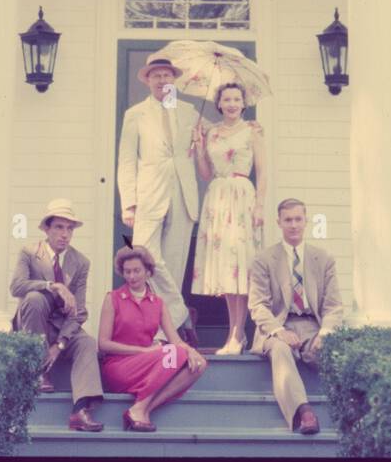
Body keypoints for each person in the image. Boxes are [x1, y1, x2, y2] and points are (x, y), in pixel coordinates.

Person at [116, 57, 201, 345]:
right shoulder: (135, 114)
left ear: (174, 79)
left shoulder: (190, 112)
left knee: (174, 263)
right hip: (148, 194)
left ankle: (165, 331)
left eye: (167, 75)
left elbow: (217, 135)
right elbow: (127, 159)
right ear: (147, 80)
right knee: (145, 254)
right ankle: (181, 313)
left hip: (183, 192)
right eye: (157, 76)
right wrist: (128, 202)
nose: (163, 80)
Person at [248, 198, 344, 435]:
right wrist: (280, 332)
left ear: (306, 221)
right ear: (279, 222)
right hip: (278, 325)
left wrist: (326, 333)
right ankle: (304, 412)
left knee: (331, 350)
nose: (293, 225)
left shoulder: (323, 259)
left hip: (313, 326)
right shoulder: (264, 259)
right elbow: (258, 305)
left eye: (298, 219)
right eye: (288, 220)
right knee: (280, 349)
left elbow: (333, 306)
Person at [9, 198, 104, 432]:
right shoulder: (29, 252)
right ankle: (39, 371)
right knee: (34, 297)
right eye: (59, 227)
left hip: (61, 329)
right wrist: (53, 285)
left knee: (87, 343)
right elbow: (16, 287)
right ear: (47, 229)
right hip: (33, 323)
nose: (65, 234)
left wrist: (60, 344)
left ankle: (80, 410)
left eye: (69, 228)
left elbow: (79, 310)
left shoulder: (80, 262)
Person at [189, 82, 266, 354]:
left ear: (243, 103)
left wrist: (260, 206)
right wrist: (199, 147)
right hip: (218, 198)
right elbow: (206, 174)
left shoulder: (252, 131)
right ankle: (234, 335)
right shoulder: (212, 133)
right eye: (227, 99)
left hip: (242, 198)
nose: (232, 104)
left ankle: (238, 334)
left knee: (240, 268)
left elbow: (263, 171)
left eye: (237, 99)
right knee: (227, 269)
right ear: (219, 103)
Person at [98, 245, 207, 431]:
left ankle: (142, 408)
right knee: (173, 353)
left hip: (149, 367)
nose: (132, 276)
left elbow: (176, 341)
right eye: (127, 272)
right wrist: (145, 350)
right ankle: (140, 409)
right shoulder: (113, 298)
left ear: (148, 271)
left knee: (199, 365)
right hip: (119, 368)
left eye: (137, 271)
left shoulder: (158, 303)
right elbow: (103, 344)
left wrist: (192, 352)